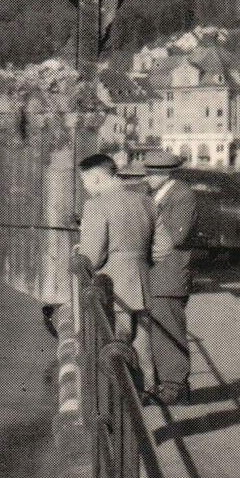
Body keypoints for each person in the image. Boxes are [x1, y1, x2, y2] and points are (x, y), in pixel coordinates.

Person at [76, 153, 156, 382]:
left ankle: (120, 398)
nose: (86, 188)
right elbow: (163, 247)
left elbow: (92, 256)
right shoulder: (146, 201)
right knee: (143, 343)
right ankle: (149, 390)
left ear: (97, 178)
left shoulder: (95, 205)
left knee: (117, 341)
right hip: (142, 280)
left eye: (85, 182)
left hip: (113, 286)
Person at [143, 150, 196, 404]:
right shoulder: (156, 193)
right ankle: (166, 385)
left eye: (152, 173)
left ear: (166, 174)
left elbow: (177, 237)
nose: (148, 178)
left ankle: (175, 387)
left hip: (170, 273)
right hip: (158, 275)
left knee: (170, 329)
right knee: (159, 329)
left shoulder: (182, 194)